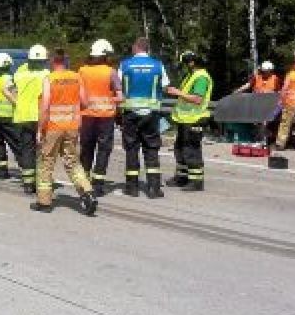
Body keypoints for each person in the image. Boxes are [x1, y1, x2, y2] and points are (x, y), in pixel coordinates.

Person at [30, 49, 97, 215]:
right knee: (73, 162)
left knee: (46, 163)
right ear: (65, 61)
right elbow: (85, 102)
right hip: (72, 126)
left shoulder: (49, 79)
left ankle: (44, 202)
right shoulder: (76, 77)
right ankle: (87, 192)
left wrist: (39, 129)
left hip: (53, 127)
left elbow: (45, 106)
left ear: (52, 61)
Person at [118, 37, 169, 199]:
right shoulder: (158, 65)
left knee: (131, 148)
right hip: (151, 113)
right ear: (147, 48)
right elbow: (165, 86)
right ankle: (154, 188)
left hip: (130, 112)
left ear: (136, 47)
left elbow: (117, 87)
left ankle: (131, 187)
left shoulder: (125, 64)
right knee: (151, 148)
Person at [79, 39, 123, 197]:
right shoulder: (111, 72)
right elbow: (120, 97)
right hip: (105, 117)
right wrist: (109, 100)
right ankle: (98, 185)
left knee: (86, 148)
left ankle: (83, 181)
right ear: (105, 56)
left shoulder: (82, 71)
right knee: (103, 150)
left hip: (86, 116)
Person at [166, 51, 213, 192]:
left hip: (195, 119)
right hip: (185, 119)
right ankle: (182, 177)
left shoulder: (201, 77)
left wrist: (177, 92)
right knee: (180, 148)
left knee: (191, 150)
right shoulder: (191, 75)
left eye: (185, 63)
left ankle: (196, 181)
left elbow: (197, 99)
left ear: (192, 63)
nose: (184, 66)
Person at [12, 44, 50, 193]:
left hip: (22, 116)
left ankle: (28, 183)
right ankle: (42, 181)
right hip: (40, 116)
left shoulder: (20, 72)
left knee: (27, 149)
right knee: (42, 150)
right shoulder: (46, 74)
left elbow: (6, 88)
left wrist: (17, 102)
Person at [275, 55, 295, 165]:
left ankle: (280, 144)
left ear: (294, 64)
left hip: (291, 102)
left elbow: (284, 89)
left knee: (285, 123)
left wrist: (281, 101)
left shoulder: (291, 75)